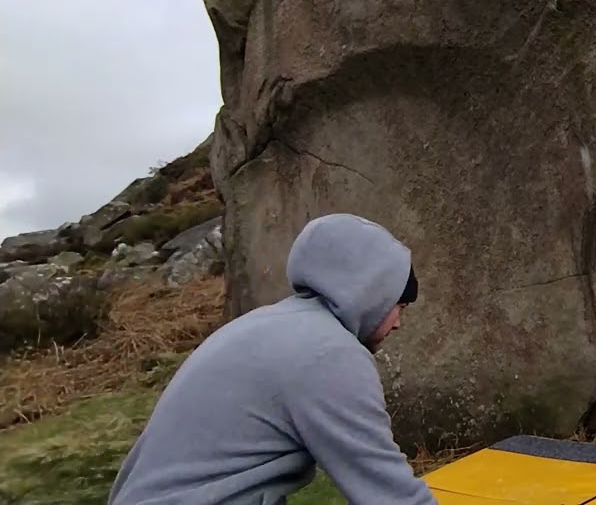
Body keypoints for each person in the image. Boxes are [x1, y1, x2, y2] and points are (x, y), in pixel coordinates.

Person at [108, 213, 439, 505]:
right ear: (370, 293)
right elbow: (386, 490)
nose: (398, 322)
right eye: (399, 306)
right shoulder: (327, 354)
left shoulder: (268, 324)